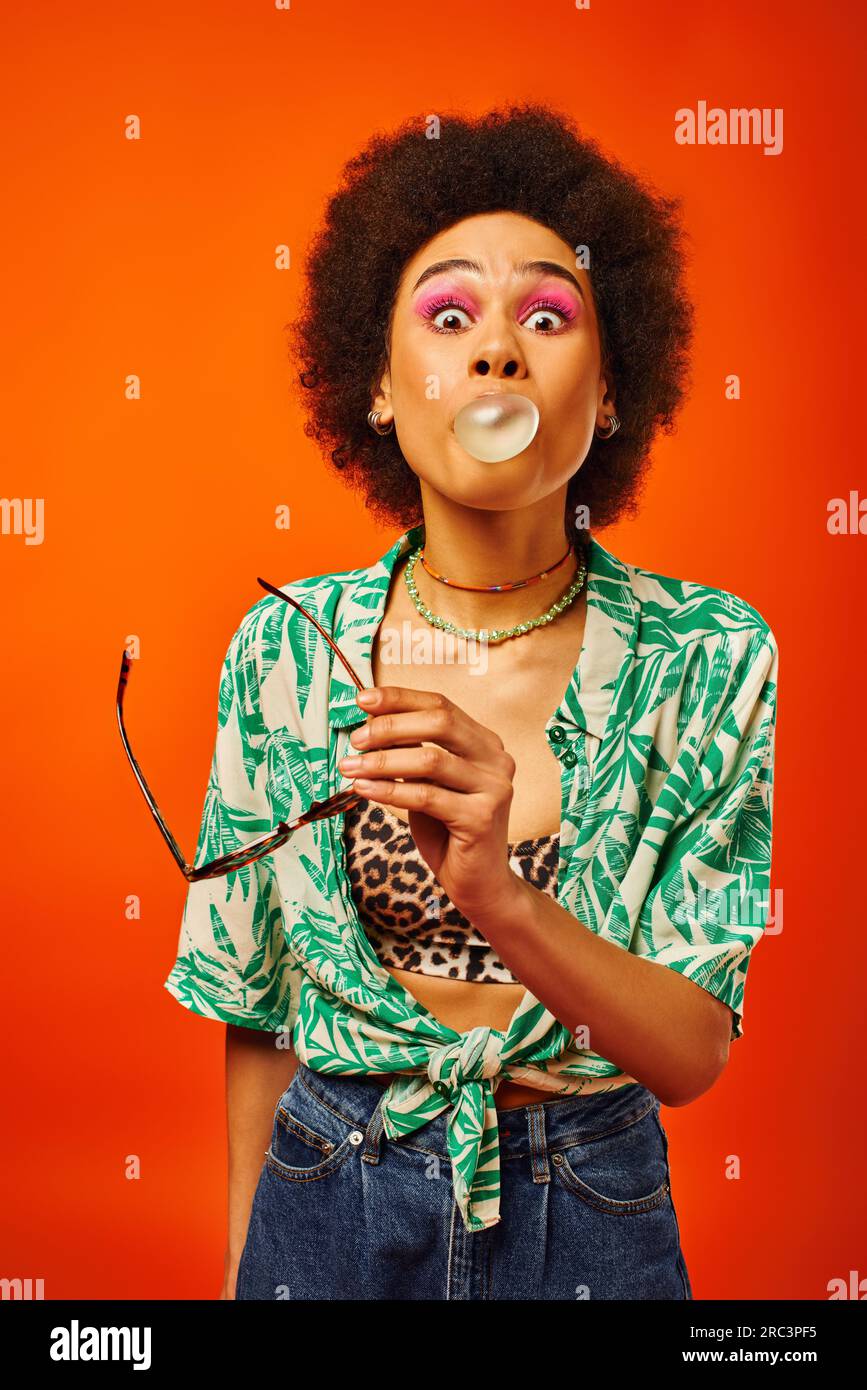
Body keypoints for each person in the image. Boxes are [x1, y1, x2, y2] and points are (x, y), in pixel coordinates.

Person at [164, 104, 778, 1301]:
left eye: (547, 316)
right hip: (327, 1191)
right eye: (450, 316)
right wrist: (251, 1273)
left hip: (589, 1208)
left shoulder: (712, 655)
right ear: (380, 388)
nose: (498, 350)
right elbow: (253, 1014)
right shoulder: (284, 652)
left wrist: (498, 890)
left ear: (610, 395)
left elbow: (692, 1047)